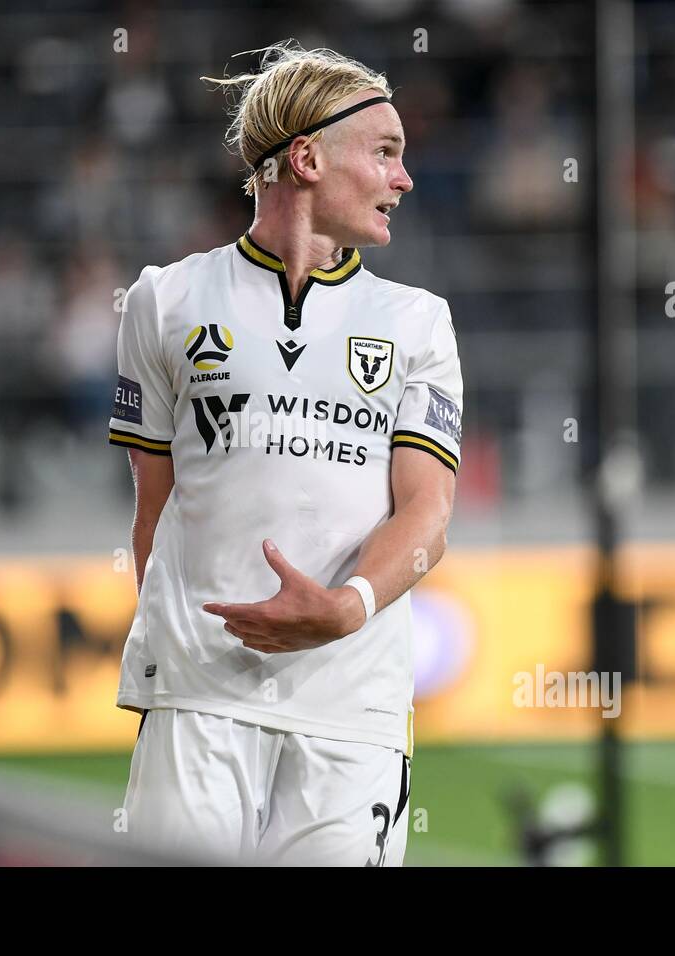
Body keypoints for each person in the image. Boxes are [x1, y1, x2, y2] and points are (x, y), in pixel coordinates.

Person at [107, 42, 462, 866]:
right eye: (385, 153)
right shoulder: (164, 299)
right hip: (199, 700)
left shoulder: (418, 321)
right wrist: (181, 666)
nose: (403, 179)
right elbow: (153, 515)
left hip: (353, 706)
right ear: (305, 157)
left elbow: (428, 513)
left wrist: (345, 610)